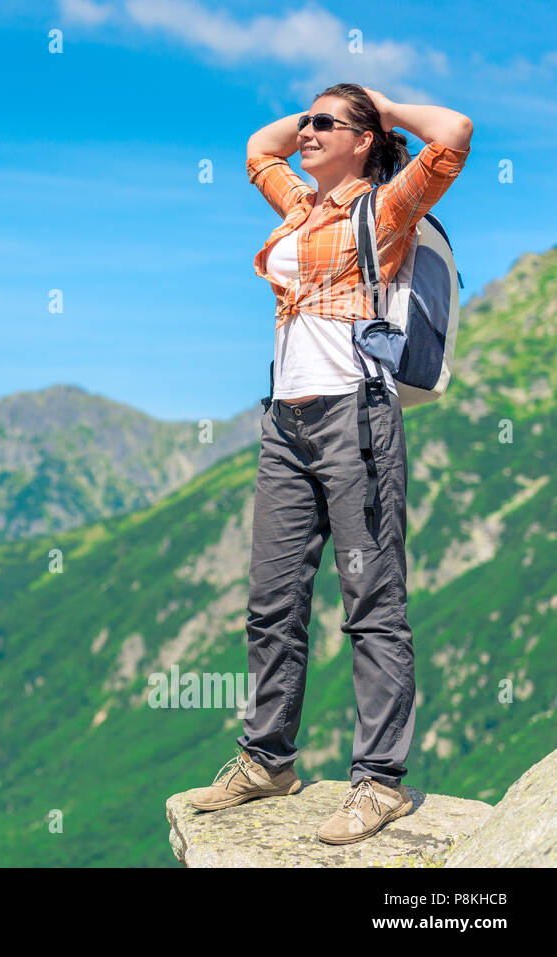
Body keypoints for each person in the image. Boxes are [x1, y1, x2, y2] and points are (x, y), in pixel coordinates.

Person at [189, 84, 472, 845]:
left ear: (365, 137)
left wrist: (380, 103)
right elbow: (258, 149)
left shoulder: (384, 210)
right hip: (286, 420)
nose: (306, 132)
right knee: (272, 598)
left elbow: (452, 134)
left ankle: (378, 781)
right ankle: (267, 758)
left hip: (358, 417)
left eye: (324, 124)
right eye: (306, 120)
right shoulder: (299, 209)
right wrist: (320, 112)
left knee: (371, 601)